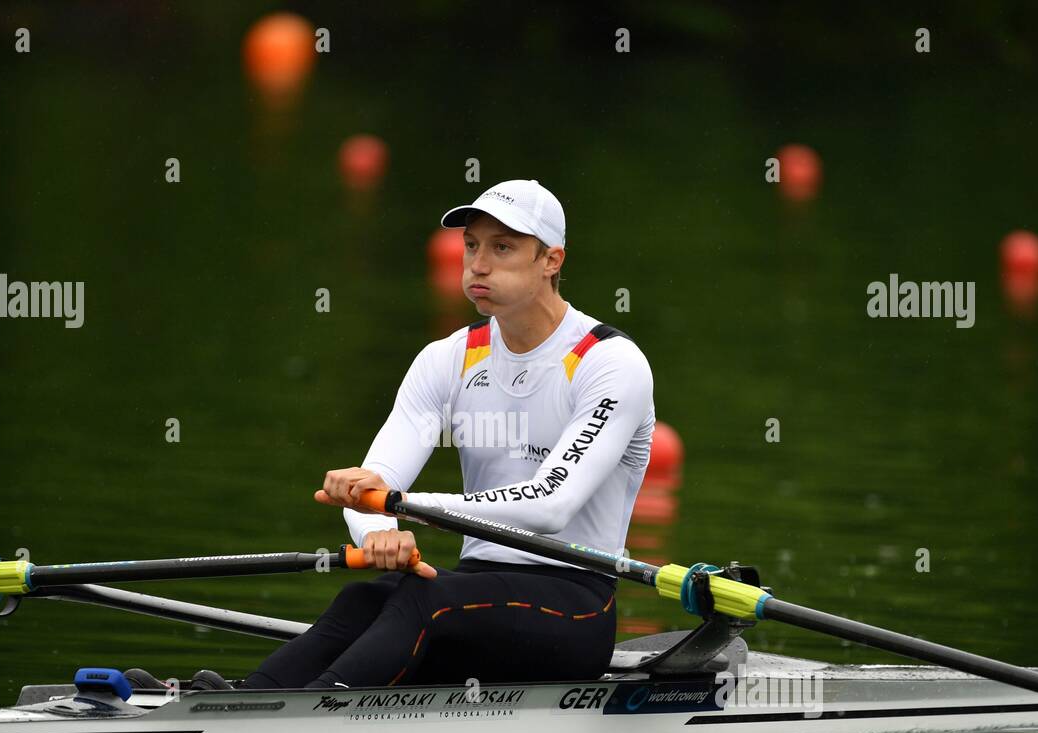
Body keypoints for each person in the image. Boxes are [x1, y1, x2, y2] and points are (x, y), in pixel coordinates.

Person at [130, 179, 654, 692]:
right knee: (365, 596)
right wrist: (374, 531)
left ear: (551, 261)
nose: (478, 264)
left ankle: (306, 714)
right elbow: (372, 486)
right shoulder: (447, 358)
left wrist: (401, 508)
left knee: (423, 600)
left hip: (576, 604)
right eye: (471, 245)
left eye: (503, 248)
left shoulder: (608, 363)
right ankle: (248, 700)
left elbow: (550, 506)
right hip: (476, 590)